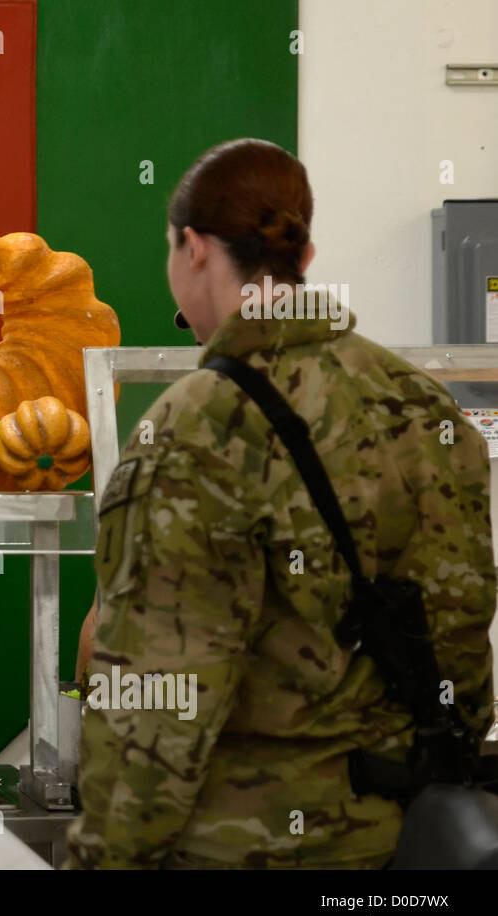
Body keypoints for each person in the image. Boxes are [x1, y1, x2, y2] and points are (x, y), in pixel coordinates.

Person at [67, 139, 495, 869]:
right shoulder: (424, 403)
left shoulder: (195, 427)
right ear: (304, 252)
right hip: (406, 853)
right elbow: (461, 659)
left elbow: (157, 714)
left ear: (193, 249)